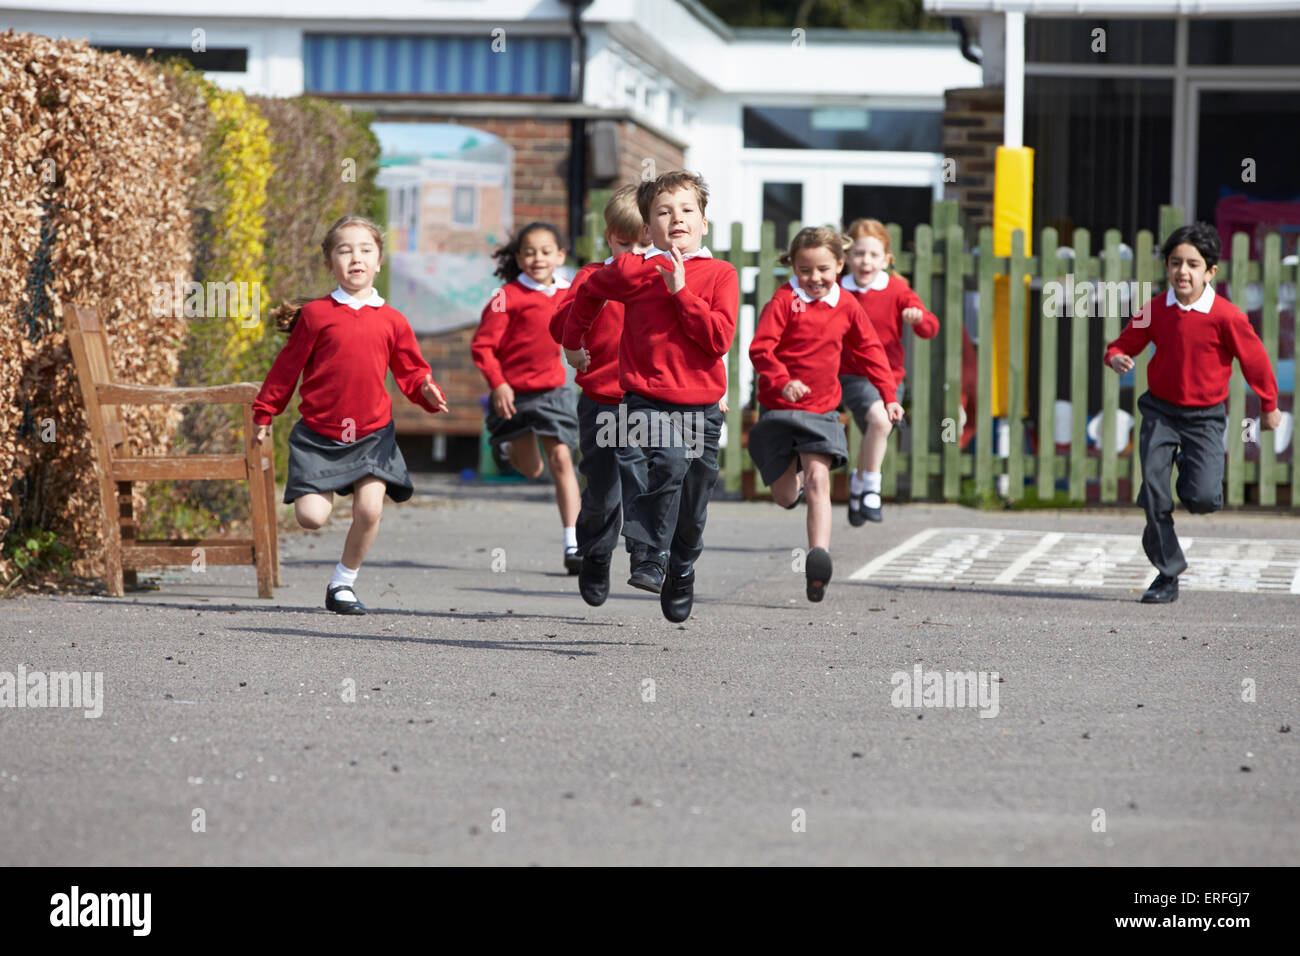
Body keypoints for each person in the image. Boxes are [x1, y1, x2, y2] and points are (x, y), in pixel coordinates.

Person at [562, 170, 737, 622]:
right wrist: (572, 340)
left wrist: (681, 293)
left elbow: (718, 340)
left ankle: (681, 567)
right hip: (644, 398)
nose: (676, 219)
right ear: (648, 227)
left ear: (703, 222)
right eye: (663, 212)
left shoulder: (720, 274)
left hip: (701, 406)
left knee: (694, 503)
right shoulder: (632, 270)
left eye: (686, 210)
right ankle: (645, 556)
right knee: (666, 461)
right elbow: (588, 293)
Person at [253, 215, 449, 615]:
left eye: (365, 250)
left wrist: (428, 393)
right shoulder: (316, 316)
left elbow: (412, 373)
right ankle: (333, 561)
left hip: (372, 436)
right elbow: (285, 371)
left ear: (379, 261)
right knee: (310, 518)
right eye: (344, 250)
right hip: (320, 437)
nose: (355, 257)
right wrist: (264, 413)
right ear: (330, 264)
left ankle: (343, 583)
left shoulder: (393, 320)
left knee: (369, 509)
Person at [1104, 221, 1280, 603]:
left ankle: (1187, 471)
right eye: (1174, 262)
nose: (1182, 271)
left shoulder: (1226, 316)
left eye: (1192, 264)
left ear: (1210, 271)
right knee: (1153, 495)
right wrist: (1116, 357)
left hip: (1204, 417)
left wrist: (1269, 405)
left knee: (1201, 497)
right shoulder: (1155, 310)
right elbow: (1122, 344)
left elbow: (1255, 361)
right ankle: (1167, 575)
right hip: (1160, 412)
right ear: (1167, 267)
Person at [749, 226, 903, 602]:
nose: (814, 278)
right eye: (805, 270)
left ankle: (818, 560)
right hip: (780, 407)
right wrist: (783, 381)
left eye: (822, 269)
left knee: (820, 480)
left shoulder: (847, 304)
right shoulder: (784, 301)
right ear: (794, 268)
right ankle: (791, 475)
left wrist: (888, 396)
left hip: (821, 409)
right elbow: (760, 350)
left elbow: (870, 352)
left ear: (839, 264)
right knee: (786, 495)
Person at [549, 186, 652, 605]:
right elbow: (559, 326)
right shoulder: (592, 277)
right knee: (604, 490)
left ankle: (646, 555)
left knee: (646, 480)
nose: (631, 254)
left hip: (650, 398)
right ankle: (595, 552)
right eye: (623, 243)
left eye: (642, 244)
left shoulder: (665, 277)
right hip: (603, 398)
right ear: (609, 236)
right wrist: (589, 309)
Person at [472, 222, 583, 574]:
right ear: (519, 258)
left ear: (560, 256)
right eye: (530, 252)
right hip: (513, 394)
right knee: (532, 469)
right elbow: (483, 347)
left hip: (553, 391)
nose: (538, 258)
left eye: (546, 251)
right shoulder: (507, 297)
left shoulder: (570, 293)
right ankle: (506, 446)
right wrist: (498, 384)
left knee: (562, 460)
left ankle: (573, 544)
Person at [838, 218, 939, 525]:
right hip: (851, 374)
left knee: (878, 428)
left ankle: (858, 487)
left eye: (872, 255)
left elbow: (931, 328)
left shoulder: (896, 289)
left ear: (886, 260)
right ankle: (871, 489)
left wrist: (917, 317)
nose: (865, 261)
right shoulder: (839, 289)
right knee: (880, 422)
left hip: (890, 378)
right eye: (858, 254)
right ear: (847, 258)